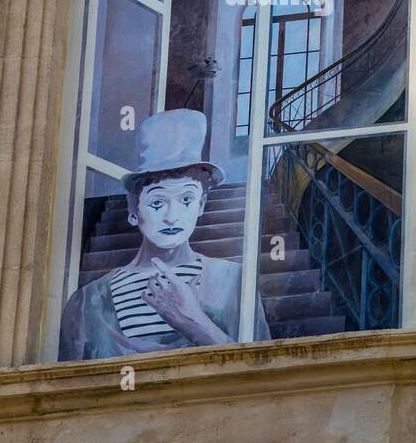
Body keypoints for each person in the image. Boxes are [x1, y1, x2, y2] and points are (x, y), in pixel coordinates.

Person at [59, 109, 271, 359]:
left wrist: (193, 322)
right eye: (157, 202)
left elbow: (262, 373)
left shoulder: (232, 281)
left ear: (201, 205)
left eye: (186, 199)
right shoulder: (87, 302)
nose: (172, 216)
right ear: (133, 209)